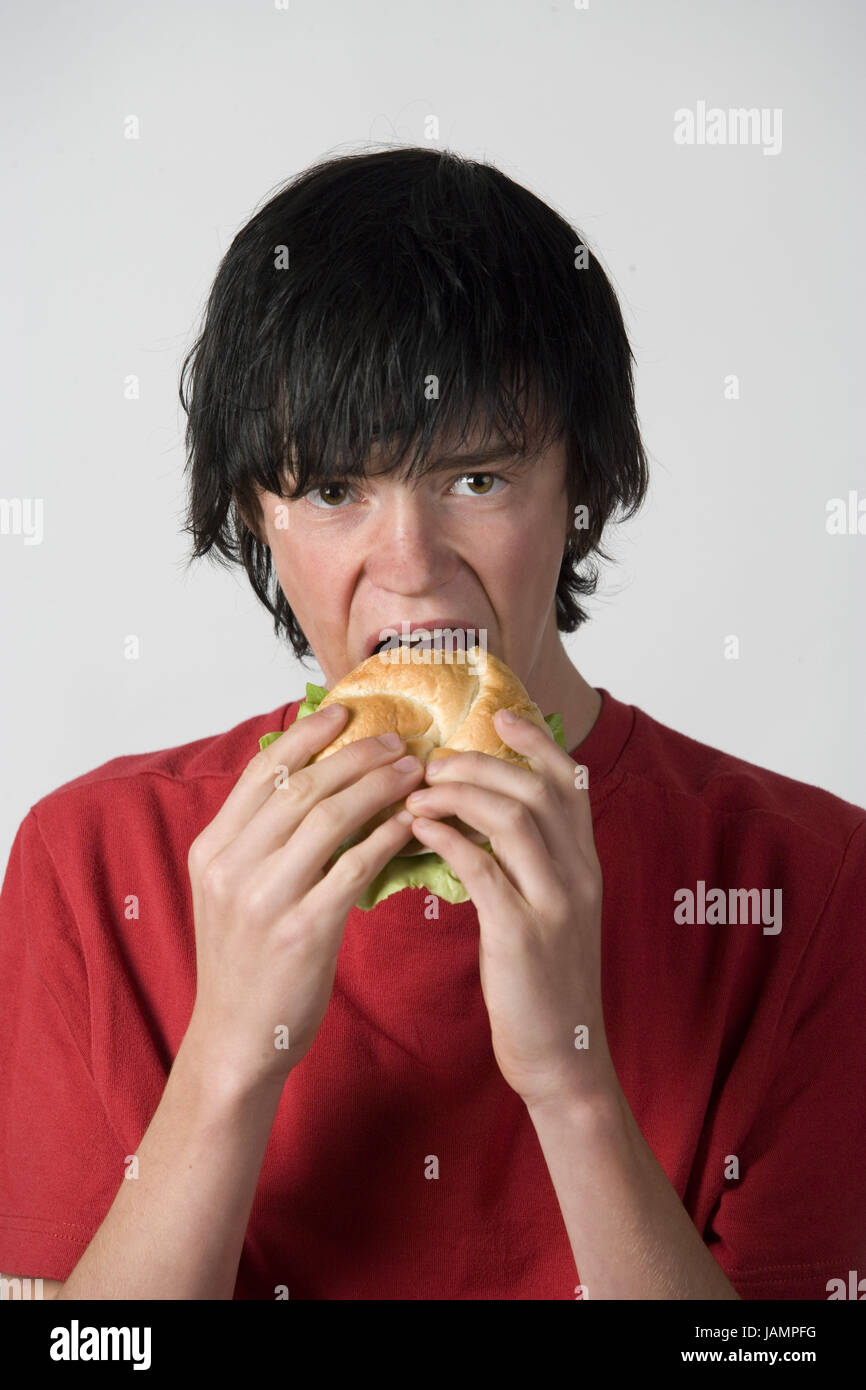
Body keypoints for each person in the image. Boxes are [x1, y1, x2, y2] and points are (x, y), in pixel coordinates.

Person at [1, 147, 863, 1302]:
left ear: (582, 484)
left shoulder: (808, 882)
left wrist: (570, 1083)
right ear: (257, 512)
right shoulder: (91, 863)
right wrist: (223, 1065)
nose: (406, 568)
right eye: (331, 490)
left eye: (477, 479)